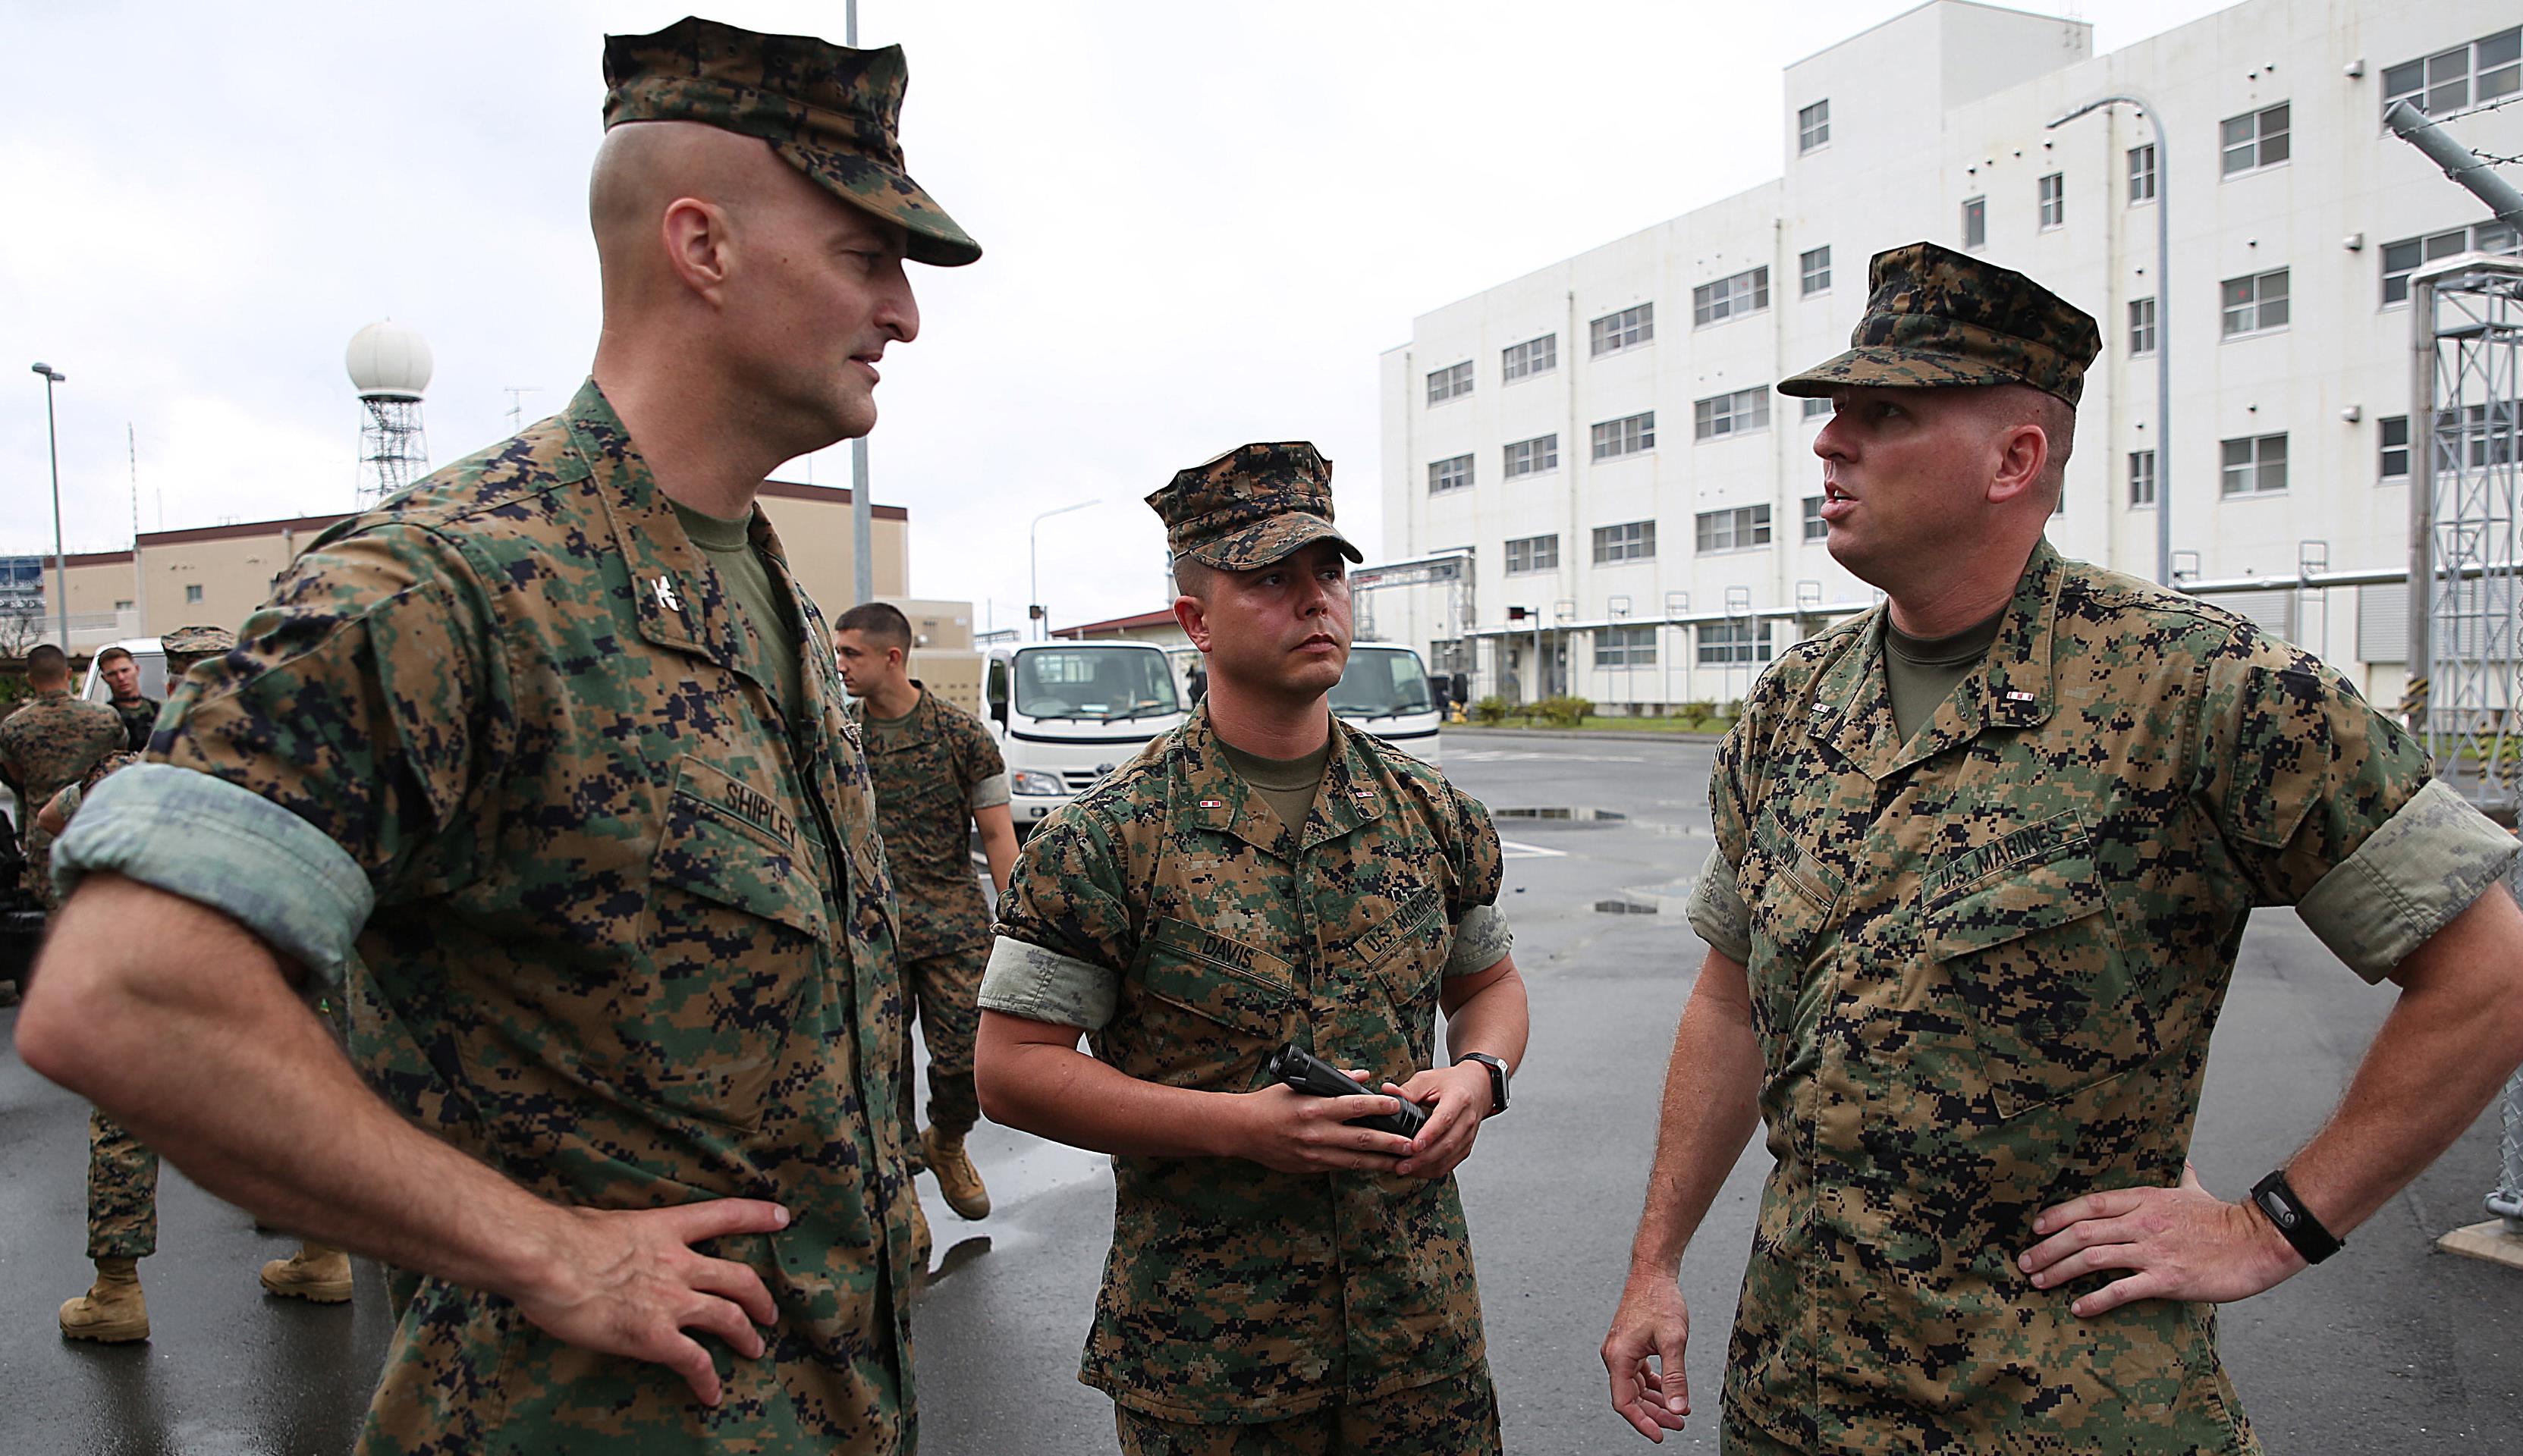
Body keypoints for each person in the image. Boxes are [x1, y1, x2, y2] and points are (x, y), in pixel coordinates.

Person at [20, 17, 979, 1454]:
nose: (903, 313)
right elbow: (123, 997)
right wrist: (548, 1250)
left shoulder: (770, 593)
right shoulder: (444, 584)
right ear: (701, 247)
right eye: (865, 258)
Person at [1598, 242, 2523, 1454]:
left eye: (1882, 413)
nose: (1828, 444)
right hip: (1798, 1393)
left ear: (2015, 459)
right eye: (1833, 413)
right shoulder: (1792, 707)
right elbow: (1730, 1000)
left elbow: (2497, 985)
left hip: (2056, 1409)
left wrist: (2273, 1225)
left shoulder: (2210, 690)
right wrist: (1654, 1265)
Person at [976, 442, 1531, 1455]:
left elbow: (1489, 984)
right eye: (1270, 579)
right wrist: (1240, 1128)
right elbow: (1010, 1072)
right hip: (1209, 1362)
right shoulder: (1106, 840)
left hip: (1418, 1339)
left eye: (1327, 572)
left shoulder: (1429, 814)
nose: (1314, 601)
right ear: (1194, 620)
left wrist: (1480, 1074)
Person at [48, 629, 357, 1344]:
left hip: (166, 962)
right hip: (275, 961)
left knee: (126, 1120)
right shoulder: (300, 757)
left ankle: (117, 1293)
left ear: (174, 683)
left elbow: (53, 818)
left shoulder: (147, 759)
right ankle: (325, 1255)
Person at [834, 601, 1018, 1221]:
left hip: (952, 924)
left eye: (851, 653)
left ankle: (946, 1142)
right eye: (837, 652)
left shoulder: (960, 734)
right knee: (880, 1070)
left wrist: (1021, 924)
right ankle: (901, 1191)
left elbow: (997, 836)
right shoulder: (838, 733)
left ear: (893, 657)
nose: (840, 666)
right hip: (867, 929)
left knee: (969, 1058)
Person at [0, 643, 124, 906]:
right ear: (68, 674)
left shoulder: (14, 728)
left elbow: (16, 777)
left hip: (47, 836)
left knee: (57, 918)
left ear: (30, 679)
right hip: (100, 829)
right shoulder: (106, 718)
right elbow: (118, 763)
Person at [96, 645, 160, 753]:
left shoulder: (161, 710)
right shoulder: (104, 717)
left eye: (125, 670)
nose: (121, 678)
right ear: (104, 678)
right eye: (112, 674)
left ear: (137, 670)